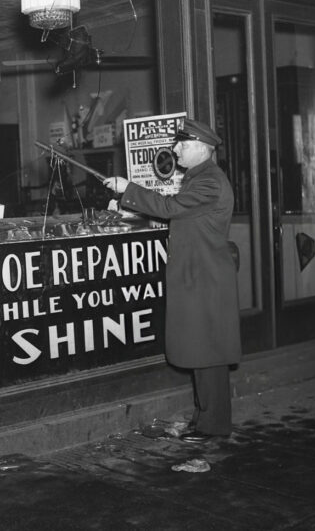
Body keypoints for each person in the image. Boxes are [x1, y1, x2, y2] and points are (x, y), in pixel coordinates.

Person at [104, 118, 241, 441]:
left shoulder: (208, 181)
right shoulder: (200, 178)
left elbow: (172, 207)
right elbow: (182, 215)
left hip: (205, 278)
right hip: (200, 275)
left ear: (203, 149)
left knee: (210, 354)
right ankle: (204, 418)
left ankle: (214, 426)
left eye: (183, 144)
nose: (176, 149)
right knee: (201, 350)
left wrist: (128, 189)